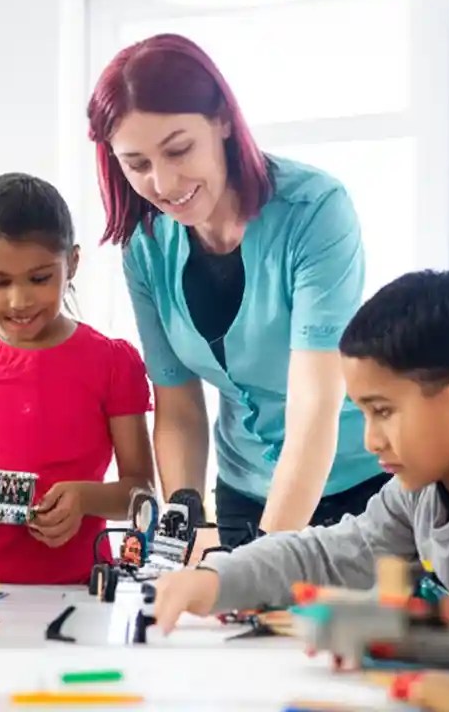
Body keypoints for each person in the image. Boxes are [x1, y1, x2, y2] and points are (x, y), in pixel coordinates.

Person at [150, 270, 449, 670]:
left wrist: (387, 631)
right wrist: (218, 577)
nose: (370, 439)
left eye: (383, 411)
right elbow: (330, 554)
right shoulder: (421, 488)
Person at [87, 33, 385, 547]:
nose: (163, 181)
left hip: (360, 481)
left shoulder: (315, 210)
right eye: (136, 164)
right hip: (244, 488)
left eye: (179, 149)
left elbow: (314, 409)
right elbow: (178, 407)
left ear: (223, 120)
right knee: (234, 626)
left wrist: (260, 563)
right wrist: (181, 522)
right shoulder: (146, 247)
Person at [0, 172, 155, 584]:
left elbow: (140, 493)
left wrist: (84, 498)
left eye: (39, 278)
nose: (19, 301)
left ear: (71, 263)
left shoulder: (111, 363)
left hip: (76, 590)